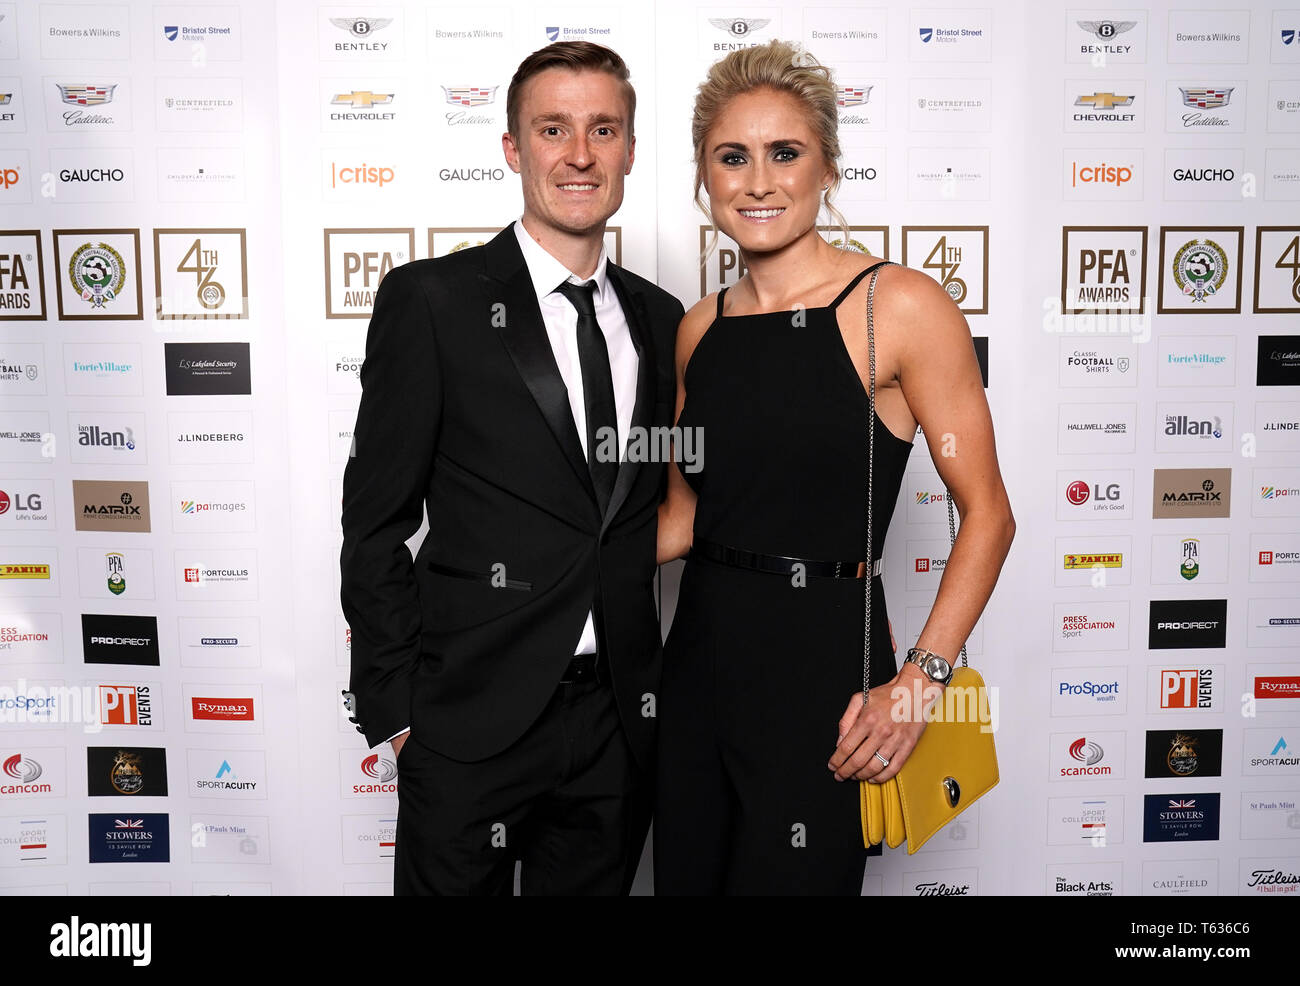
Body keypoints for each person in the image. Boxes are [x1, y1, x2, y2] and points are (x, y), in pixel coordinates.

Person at [653, 40, 1016, 895]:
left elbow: (989, 514)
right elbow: (679, 518)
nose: (759, 181)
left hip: (827, 673)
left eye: (786, 154)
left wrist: (919, 683)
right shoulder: (697, 329)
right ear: (705, 178)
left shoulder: (899, 308)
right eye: (732, 157)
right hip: (699, 668)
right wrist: (520, 564)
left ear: (828, 169)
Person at [340, 41, 682, 895]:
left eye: (603, 129)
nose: (579, 154)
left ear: (631, 151)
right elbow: (374, 524)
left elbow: (641, 502)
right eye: (553, 129)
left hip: (613, 727)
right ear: (512, 147)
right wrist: (400, 717)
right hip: (467, 730)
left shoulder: (661, 318)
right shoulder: (433, 302)